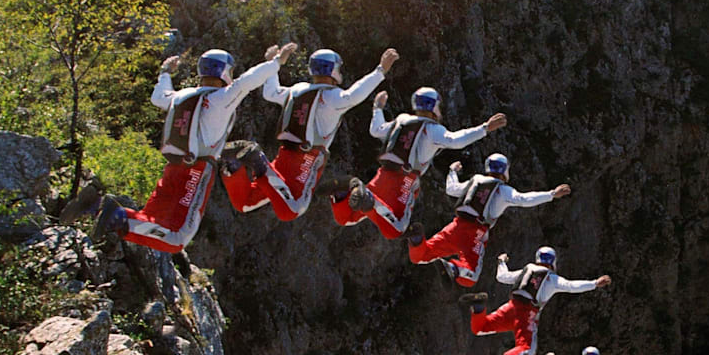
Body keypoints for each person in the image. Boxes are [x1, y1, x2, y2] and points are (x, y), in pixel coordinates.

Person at [102, 44, 297, 253]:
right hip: (197, 170)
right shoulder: (221, 98)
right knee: (178, 238)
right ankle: (114, 218)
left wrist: (165, 73)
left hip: (172, 169)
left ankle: (99, 208)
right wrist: (275, 63)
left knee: (151, 218)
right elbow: (246, 82)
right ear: (224, 72)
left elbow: (158, 97)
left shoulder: (181, 96)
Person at [223, 47, 399, 219]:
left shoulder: (296, 89)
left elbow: (270, 93)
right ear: (334, 70)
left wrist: (271, 64)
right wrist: (380, 71)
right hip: (307, 160)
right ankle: (257, 160)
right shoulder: (333, 97)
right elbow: (354, 95)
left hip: (284, 155)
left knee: (245, 202)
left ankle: (233, 165)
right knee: (293, 209)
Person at [328, 87, 507, 238]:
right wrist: (484, 128)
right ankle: (370, 200)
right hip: (405, 181)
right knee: (396, 228)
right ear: (434, 106)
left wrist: (378, 108)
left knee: (347, 218)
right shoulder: (433, 129)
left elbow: (376, 130)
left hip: (383, 175)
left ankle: (342, 195)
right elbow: (455, 141)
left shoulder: (402, 120)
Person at [407, 155, 569, 286]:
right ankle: (453, 268)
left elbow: (452, 189)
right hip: (476, 233)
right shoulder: (504, 191)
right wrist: (551, 194)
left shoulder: (475, 182)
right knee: (470, 276)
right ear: (505, 171)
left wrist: (452, 171)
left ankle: (415, 239)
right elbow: (524, 199)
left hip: (456, 226)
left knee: (421, 256)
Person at [461, 248, 610, 355]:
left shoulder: (527, 270)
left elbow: (502, 277)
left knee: (481, 328)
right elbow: (572, 286)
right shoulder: (552, 279)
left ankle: (479, 308)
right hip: (527, 313)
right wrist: (594, 283)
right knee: (527, 349)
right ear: (553, 262)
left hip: (511, 306)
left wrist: (501, 262)